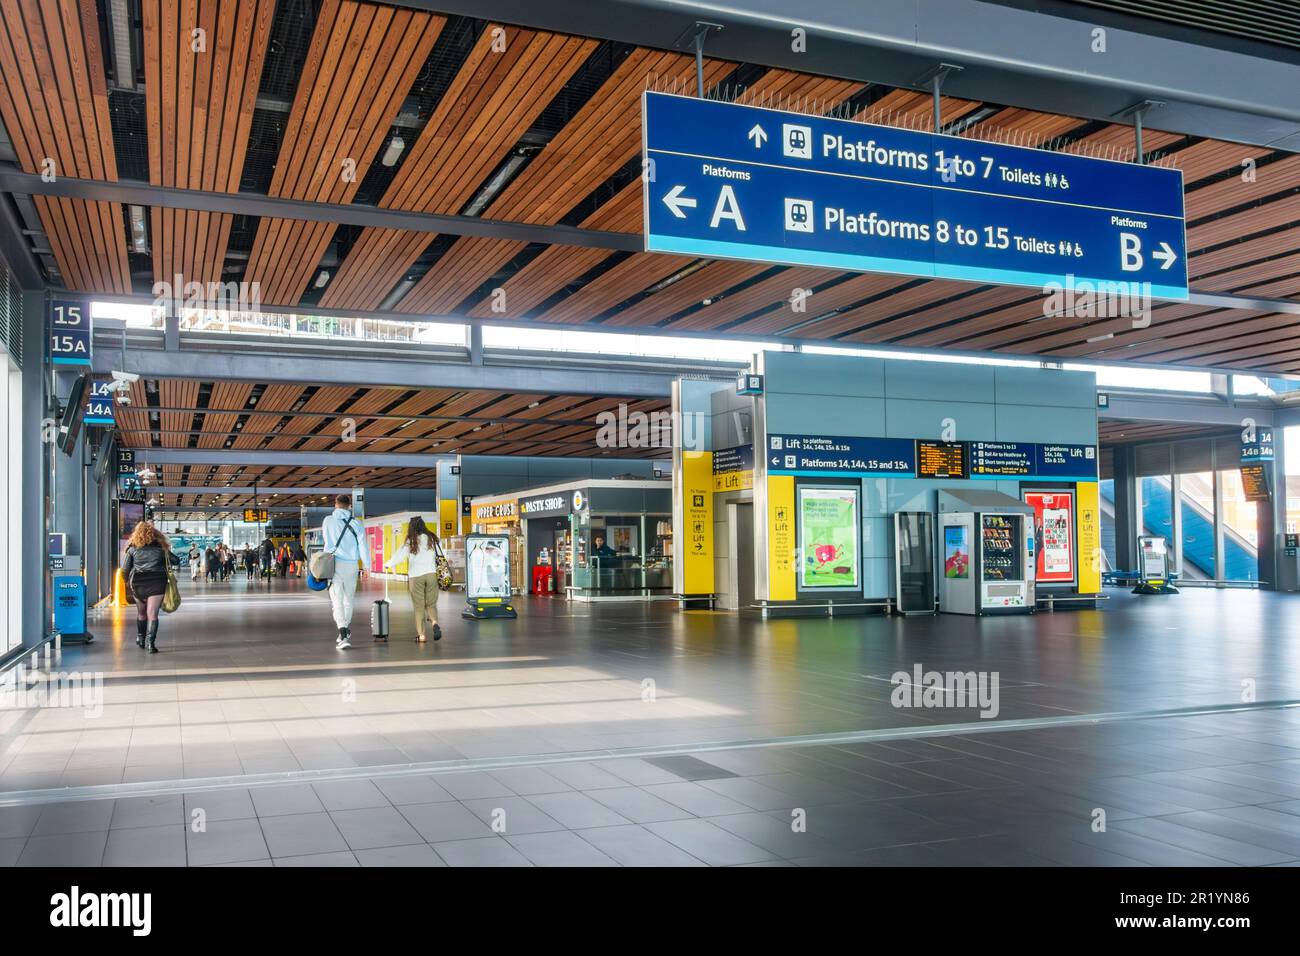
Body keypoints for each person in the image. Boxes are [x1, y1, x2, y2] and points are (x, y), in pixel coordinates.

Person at [121, 520, 180, 653]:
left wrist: (127, 583)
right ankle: (150, 644)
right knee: (152, 614)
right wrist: (165, 550)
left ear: (137, 534)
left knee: (141, 613)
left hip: (138, 583)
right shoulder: (161, 548)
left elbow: (125, 570)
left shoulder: (132, 549)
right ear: (154, 534)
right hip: (157, 582)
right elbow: (176, 560)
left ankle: (141, 638)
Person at [384, 516, 442, 642]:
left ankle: (421, 635)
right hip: (431, 574)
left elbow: (400, 556)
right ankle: (434, 623)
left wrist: (388, 564)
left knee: (418, 606)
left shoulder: (411, 540)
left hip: (416, 576)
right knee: (431, 604)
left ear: (411, 528)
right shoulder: (433, 538)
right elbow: (442, 553)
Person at [321, 494, 363, 650]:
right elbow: (363, 546)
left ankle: (343, 632)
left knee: (336, 599)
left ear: (335, 504)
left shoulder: (327, 520)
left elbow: (327, 543)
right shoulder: (357, 523)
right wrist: (366, 565)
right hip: (352, 565)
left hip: (334, 564)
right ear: (349, 505)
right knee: (348, 598)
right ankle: (344, 629)